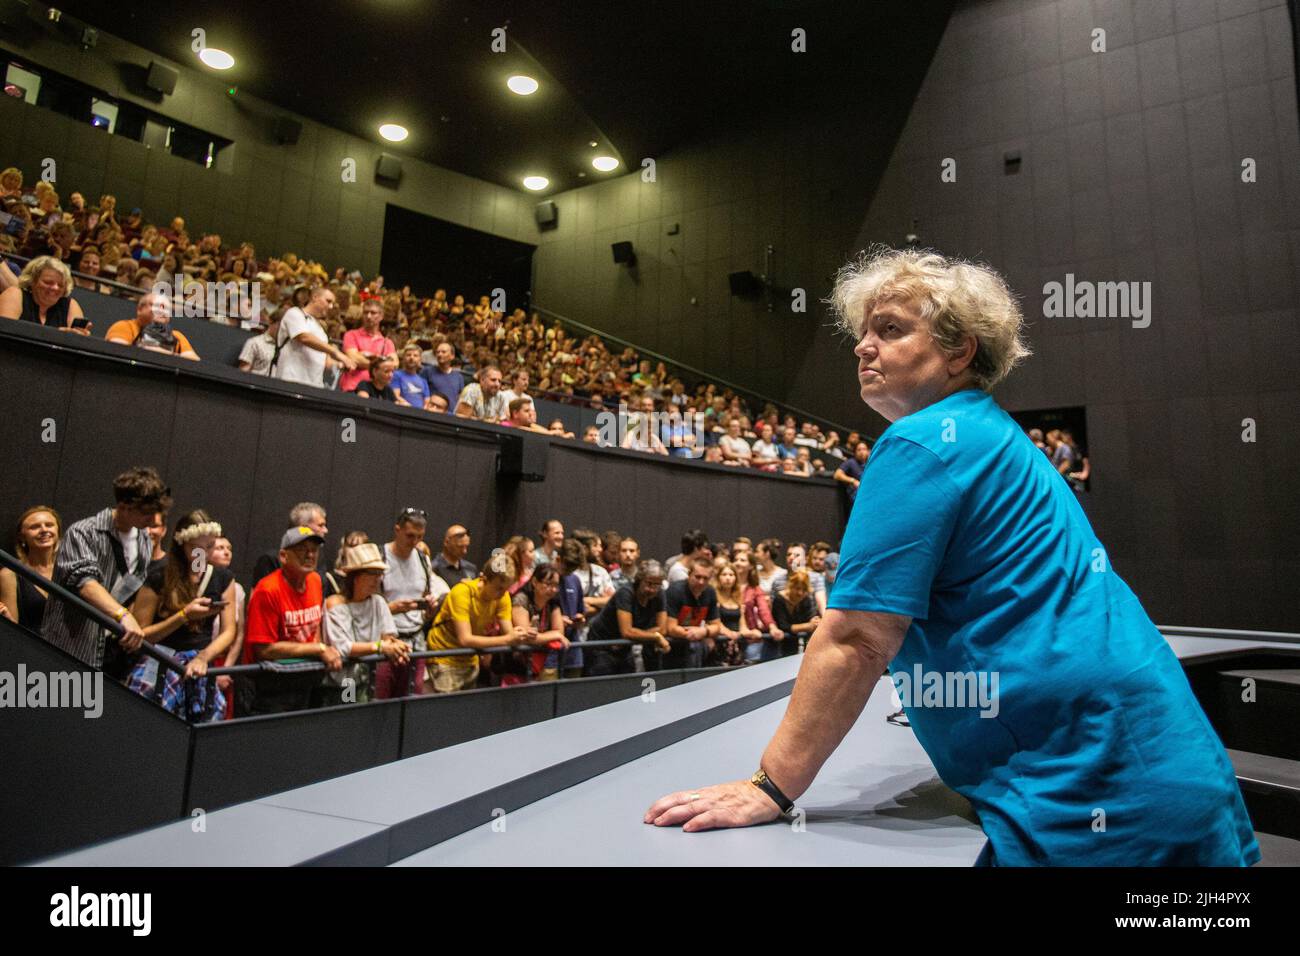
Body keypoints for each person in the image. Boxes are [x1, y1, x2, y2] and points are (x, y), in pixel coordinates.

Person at [644, 246, 1259, 868]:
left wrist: (770, 786)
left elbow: (857, 637)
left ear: (959, 350)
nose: (863, 346)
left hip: (1094, 786)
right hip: (1158, 760)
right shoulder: (989, 432)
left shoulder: (920, 442)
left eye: (889, 329)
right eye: (862, 332)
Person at [42, 466, 169, 673]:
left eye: (157, 513)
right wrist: (123, 616)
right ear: (124, 505)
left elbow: (131, 586)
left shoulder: (144, 540)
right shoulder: (84, 532)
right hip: (69, 645)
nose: (153, 520)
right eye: (146, 512)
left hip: (109, 651)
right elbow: (85, 583)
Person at [125, 510, 234, 722]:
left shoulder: (222, 578)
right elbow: (141, 634)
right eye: (196, 548)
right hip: (160, 660)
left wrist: (204, 657)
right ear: (182, 545)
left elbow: (229, 630)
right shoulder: (159, 576)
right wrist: (183, 615)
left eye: (209, 546)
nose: (202, 554)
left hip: (200, 663)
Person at [240, 525, 339, 715]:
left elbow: (315, 624)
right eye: (302, 550)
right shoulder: (267, 590)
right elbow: (263, 649)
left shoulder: (316, 581)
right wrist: (318, 649)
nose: (310, 555)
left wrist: (317, 647)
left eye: (314, 550)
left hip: (304, 678)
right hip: (269, 687)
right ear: (284, 556)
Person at [426, 552, 537, 693]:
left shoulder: (502, 597)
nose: (503, 594)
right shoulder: (462, 593)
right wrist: (508, 639)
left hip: (470, 661)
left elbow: (508, 633)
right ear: (484, 579)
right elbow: (465, 639)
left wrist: (521, 634)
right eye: (499, 588)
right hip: (444, 659)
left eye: (506, 589)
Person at [321, 543, 411, 706]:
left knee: (361, 720)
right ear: (355, 577)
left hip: (366, 679)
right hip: (344, 682)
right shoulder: (335, 604)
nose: (378, 579)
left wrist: (397, 646)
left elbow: (388, 637)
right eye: (372, 573)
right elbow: (344, 648)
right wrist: (380, 647)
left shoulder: (378, 602)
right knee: (345, 720)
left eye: (380, 573)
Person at [380, 508, 448, 699]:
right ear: (397, 529)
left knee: (411, 699)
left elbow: (426, 597)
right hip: (387, 640)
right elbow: (363, 605)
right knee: (382, 698)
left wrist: (429, 607)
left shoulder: (422, 559)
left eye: (420, 536)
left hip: (416, 641)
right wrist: (392, 608)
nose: (415, 542)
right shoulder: (380, 556)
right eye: (410, 535)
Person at [583, 560, 670, 676]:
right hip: (602, 646)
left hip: (624, 646)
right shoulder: (625, 593)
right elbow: (627, 631)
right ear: (640, 580)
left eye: (657, 585)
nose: (653, 590)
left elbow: (662, 629)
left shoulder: (660, 594)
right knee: (602, 686)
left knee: (627, 685)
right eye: (649, 584)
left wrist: (646, 635)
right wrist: (655, 636)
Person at [271, 286, 355, 386]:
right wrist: (336, 352)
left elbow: (325, 361)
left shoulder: (321, 328)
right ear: (315, 297)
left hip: (314, 385)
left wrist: (339, 364)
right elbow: (304, 337)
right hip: (290, 380)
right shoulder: (295, 313)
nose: (331, 306)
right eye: (328, 301)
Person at [0, 506, 60, 630]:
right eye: (35, 527)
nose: (44, 530)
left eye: (49, 525)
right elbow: (11, 630)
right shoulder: (10, 573)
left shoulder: (68, 571)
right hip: (29, 646)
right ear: (22, 538)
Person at [509, 563, 570, 684]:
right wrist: (554, 635)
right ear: (535, 582)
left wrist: (553, 635)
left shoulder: (553, 602)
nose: (553, 589)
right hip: (513, 667)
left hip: (538, 666)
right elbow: (525, 636)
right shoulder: (521, 599)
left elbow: (560, 631)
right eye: (548, 584)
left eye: (556, 585)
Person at [660, 558, 720, 670]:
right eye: (697, 577)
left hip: (694, 648)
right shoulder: (675, 591)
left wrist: (703, 631)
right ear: (689, 574)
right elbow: (671, 628)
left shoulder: (710, 592)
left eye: (705, 578)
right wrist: (696, 633)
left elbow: (717, 626)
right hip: (672, 649)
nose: (701, 582)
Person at [0, 255, 88, 332]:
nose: (55, 288)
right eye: (48, 282)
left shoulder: (70, 305)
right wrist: (58, 336)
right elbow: (5, 331)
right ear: (32, 281)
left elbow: (79, 341)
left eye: (60, 285)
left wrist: (79, 335)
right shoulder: (15, 295)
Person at [105, 292, 199, 360]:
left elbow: (194, 361)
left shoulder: (177, 336)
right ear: (140, 309)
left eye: (166, 308)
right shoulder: (124, 326)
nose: (161, 311)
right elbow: (117, 351)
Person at [253, 503, 328, 584]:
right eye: (321, 525)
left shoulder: (318, 562)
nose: (326, 530)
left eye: (313, 550)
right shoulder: (271, 561)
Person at [339, 298, 396, 392]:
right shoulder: (351, 335)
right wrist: (380, 363)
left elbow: (394, 364)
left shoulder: (387, 342)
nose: (368, 316)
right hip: (352, 387)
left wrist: (365, 355)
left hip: (376, 391)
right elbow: (354, 358)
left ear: (381, 316)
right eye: (366, 312)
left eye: (373, 313)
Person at [768, 569, 819, 661]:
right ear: (790, 586)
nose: (800, 593)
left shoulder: (806, 599)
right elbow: (783, 626)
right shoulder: (779, 600)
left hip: (796, 645)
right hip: (777, 646)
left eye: (804, 590)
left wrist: (813, 623)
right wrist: (808, 626)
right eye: (797, 588)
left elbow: (812, 618)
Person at [708, 563, 747, 667]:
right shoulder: (713, 595)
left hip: (737, 643)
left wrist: (748, 632)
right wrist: (729, 633)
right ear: (718, 577)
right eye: (724, 574)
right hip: (720, 642)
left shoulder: (738, 597)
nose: (728, 578)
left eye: (731, 574)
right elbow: (714, 621)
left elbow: (743, 624)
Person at [432, 524, 477, 589]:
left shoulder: (471, 568)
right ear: (447, 542)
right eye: (460, 547)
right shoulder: (433, 568)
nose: (464, 551)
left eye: (466, 546)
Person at [424, 341, 464, 409]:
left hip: (450, 416)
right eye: (438, 352)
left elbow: (460, 398)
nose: (439, 354)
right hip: (433, 412)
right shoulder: (427, 371)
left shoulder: (459, 377)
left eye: (443, 352)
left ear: (452, 356)